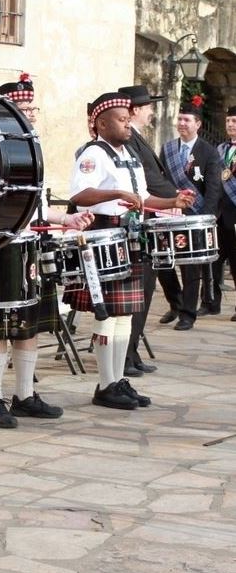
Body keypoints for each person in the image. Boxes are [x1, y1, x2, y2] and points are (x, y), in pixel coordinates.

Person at [0, 76, 94, 428]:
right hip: (1, 246)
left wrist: (67, 218)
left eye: (32, 108)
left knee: (30, 327)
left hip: (31, 247)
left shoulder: (31, 147)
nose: (30, 114)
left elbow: (38, 208)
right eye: (23, 109)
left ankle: (24, 395)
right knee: (0, 328)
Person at [66, 92, 193, 409]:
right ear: (102, 123)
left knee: (126, 313)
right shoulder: (94, 154)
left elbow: (143, 197)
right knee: (108, 313)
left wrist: (172, 202)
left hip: (130, 233)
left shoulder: (130, 154)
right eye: (122, 121)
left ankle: (116, 379)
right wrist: (117, 191)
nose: (128, 126)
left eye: (128, 120)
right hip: (105, 232)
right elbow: (80, 195)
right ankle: (105, 383)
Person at [116, 84, 178, 376]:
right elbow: (150, 180)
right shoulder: (128, 141)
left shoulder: (136, 138)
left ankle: (132, 351)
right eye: (149, 107)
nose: (153, 111)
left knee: (146, 289)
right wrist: (173, 198)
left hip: (149, 219)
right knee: (138, 290)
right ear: (135, 110)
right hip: (136, 224)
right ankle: (125, 355)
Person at [157, 97, 222, 331]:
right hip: (171, 213)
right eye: (180, 119)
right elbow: (161, 179)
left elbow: (214, 187)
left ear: (197, 125)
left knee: (190, 267)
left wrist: (204, 217)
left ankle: (187, 314)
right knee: (162, 262)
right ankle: (176, 303)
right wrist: (169, 202)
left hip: (195, 217)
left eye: (187, 120)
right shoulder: (167, 149)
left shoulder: (209, 152)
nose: (182, 123)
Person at [210, 105, 236, 319]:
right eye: (228, 121)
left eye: (234, 121)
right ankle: (211, 302)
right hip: (219, 213)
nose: (230, 125)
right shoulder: (220, 149)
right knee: (214, 260)